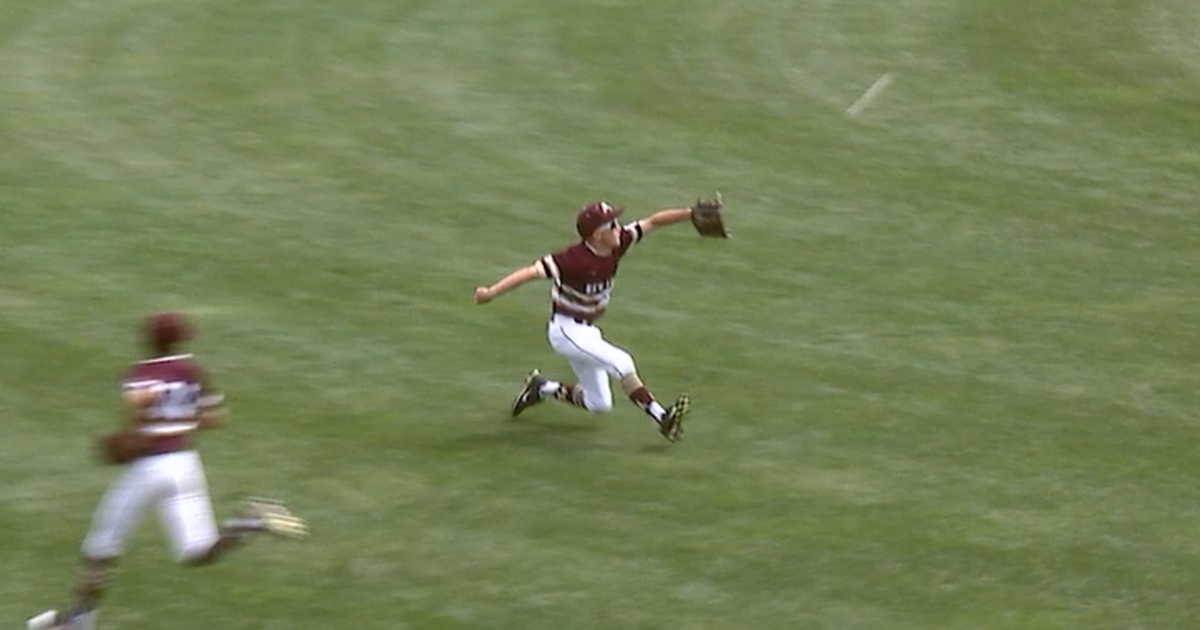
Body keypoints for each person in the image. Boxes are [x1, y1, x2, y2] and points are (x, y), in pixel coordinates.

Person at [27, 312, 308, 630]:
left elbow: (138, 406)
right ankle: (250, 522)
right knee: (198, 549)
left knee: (100, 545)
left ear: (149, 340)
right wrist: (181, 421)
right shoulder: (194, 371)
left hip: (148, 469)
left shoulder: (140, 372)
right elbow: (217, 417)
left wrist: (133, 435)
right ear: (181, 339)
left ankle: (79, 621)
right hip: (185, 464)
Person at [474, 200, 700, 442]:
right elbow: (530, 273)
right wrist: (490, 293)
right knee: (622, 363)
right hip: (566, 331)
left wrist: (690, 214)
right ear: (597, 235)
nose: (619, 227)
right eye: (612, 224)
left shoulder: (617, 243)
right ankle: (661, 416)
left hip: (587, 332)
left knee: (599, 404)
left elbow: (653, 221)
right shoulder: (572, 259)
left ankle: (541, 388)